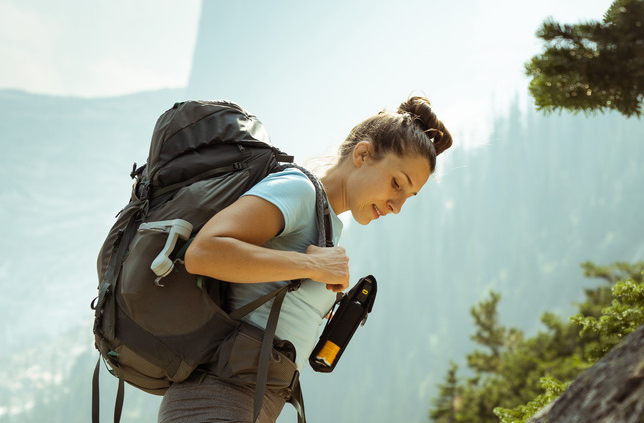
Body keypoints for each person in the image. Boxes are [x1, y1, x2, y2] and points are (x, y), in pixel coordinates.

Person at [157, 95, 453, 422]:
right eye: (396, 183)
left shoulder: (324, 222)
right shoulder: (298, 191)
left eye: (407, 197)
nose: (397, 206)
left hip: (247, 402)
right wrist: (311, 265)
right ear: (363, 154)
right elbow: (203, 253)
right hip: (217, 399)